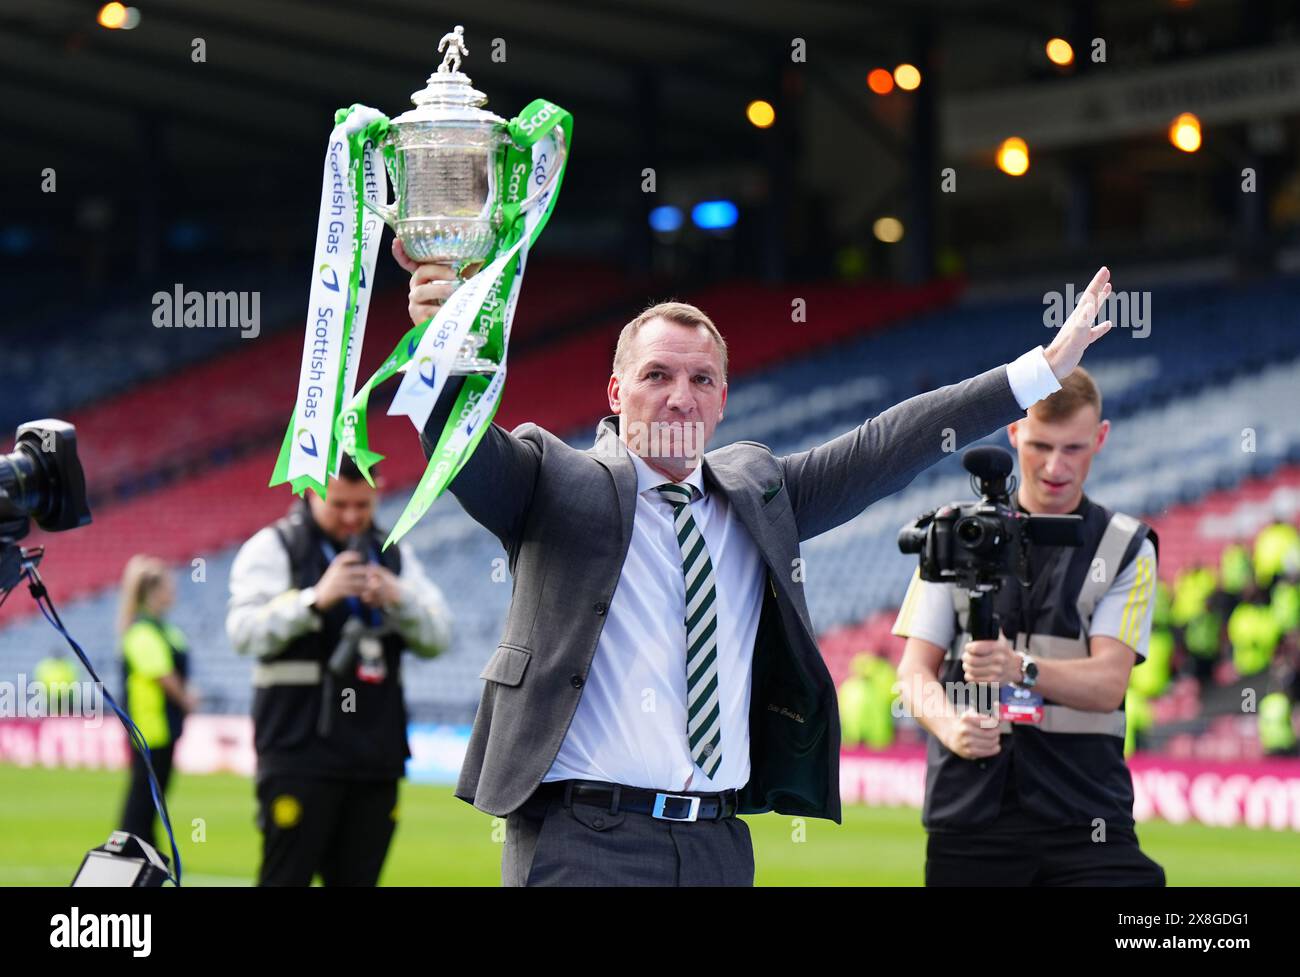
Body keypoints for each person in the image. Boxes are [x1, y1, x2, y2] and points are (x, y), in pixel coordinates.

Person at [395, 238, 1117, 886]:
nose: (681, 397)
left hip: (718, 846)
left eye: (702, 380)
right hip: (585, 842)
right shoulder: (554, 480)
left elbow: (888, 442)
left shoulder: (759, 491)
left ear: (723, 401)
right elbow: (464, 450)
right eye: (657, 375)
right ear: (616, 393)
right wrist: (438, 342)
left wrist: (1040, 373)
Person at [892, 367, 1166, 886]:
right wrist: (953, 727)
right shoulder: (954, 533)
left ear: (1100, 439)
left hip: (1085, 812)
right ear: (1015, 433)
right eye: (1041, 445)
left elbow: (1109, 684)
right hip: (970, 815)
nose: (1055, 466)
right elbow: (912, 676)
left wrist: (1021, 668)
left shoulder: (1126, 544)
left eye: (1074, 448)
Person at [226, 457, 453, 886]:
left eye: (363, 506)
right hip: (298, 753)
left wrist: (398, 598)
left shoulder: (395, 553)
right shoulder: (273, 546)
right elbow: (243, 633)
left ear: (379, 491)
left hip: (375, 756)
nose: (352, 517)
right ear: (312, 489)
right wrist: (314, 600)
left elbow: (439, 637)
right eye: (339, 504)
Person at [118, 555, 197, 852]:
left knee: (153, 793)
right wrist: (186, 698)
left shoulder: (161, 630)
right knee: (144, 794)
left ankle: (146, 849)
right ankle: (131, 848)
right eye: (168, 586)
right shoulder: (142, 631)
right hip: (150, 725)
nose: (173, 592)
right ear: (153, 591)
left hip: (165, 724)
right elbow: (162, 674)